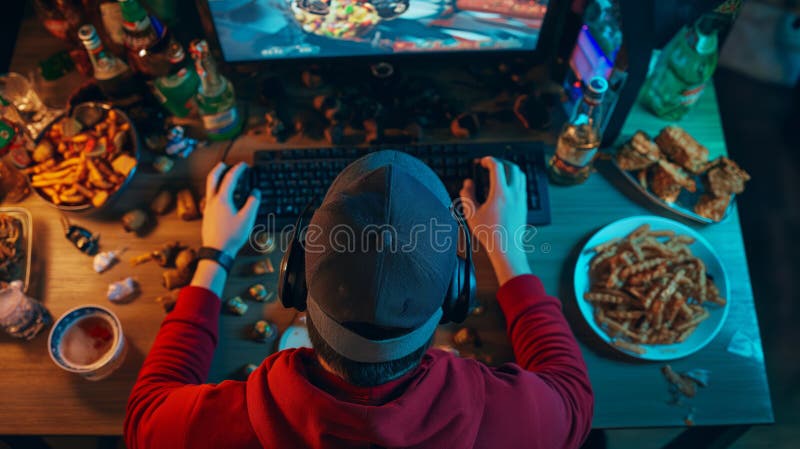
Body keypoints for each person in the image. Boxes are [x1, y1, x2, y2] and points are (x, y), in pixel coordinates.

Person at [124, 151, 593, 449]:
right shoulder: (513, 417)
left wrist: (214, 255)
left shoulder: (211, 429)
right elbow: (575, 400)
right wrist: (507, 251)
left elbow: (143, 414)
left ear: (296, 285)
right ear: (456, 295)